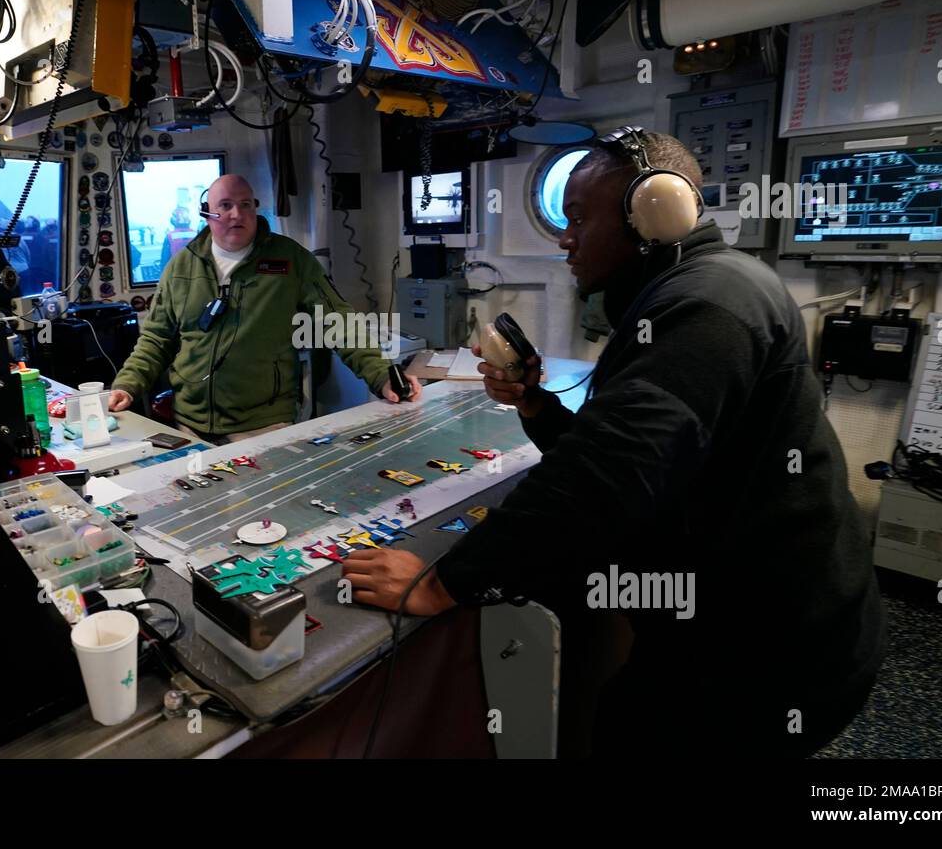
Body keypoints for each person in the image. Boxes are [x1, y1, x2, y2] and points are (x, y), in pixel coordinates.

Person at [341, 129, 885, 757]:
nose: (565, 237)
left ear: (651, 211)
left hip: (771, 650)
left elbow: (607, 474)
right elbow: (644, 455)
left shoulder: (707, 304)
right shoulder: (700, 287)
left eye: (577, 218)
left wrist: (446, 583)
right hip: (758, 622)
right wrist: (536, 406)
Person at [107, 174, 420, 443]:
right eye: (225, 205)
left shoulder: (289, 260)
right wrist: (129, 383)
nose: (236, 214)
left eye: (246, 205)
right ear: (207, 214)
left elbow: (339, 324)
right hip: (190, 423)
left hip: (264, 424)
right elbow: (156, 337)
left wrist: (381, 376)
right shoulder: (181, 266)